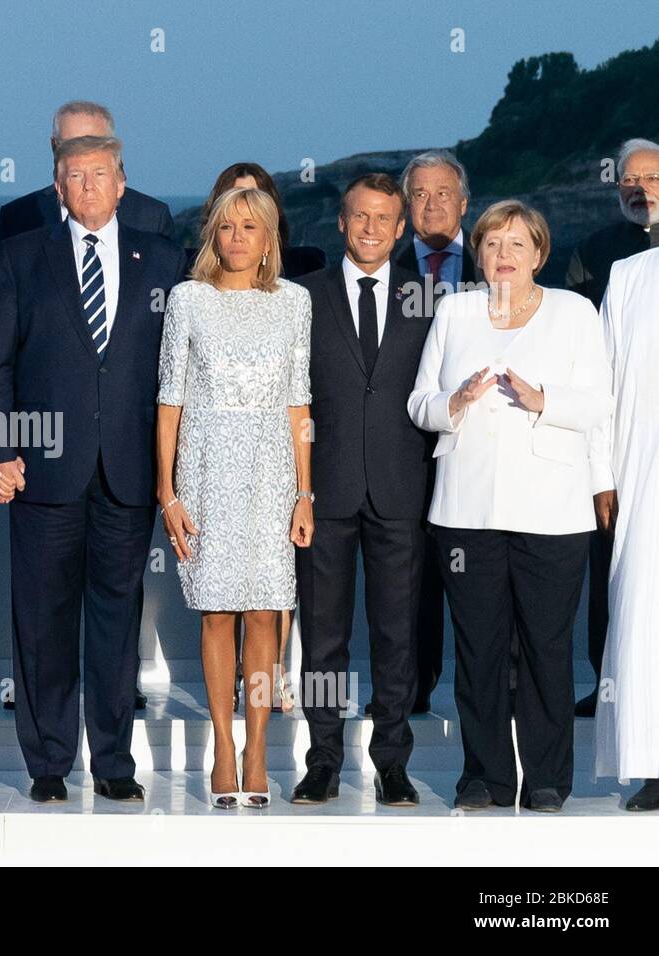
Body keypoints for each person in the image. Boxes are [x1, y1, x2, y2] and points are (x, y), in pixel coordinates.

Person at [0, 134, 183, 803]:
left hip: (127, 470)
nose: (87, 186)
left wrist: (174, 470)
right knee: (41, 620)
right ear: (56, 186)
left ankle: (115, 763)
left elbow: (180, 371)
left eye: (100, 175)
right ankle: (48, 762)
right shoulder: (21, 256)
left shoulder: (165, 261)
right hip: (42, 472)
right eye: (74, 176)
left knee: (117, 623)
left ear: (123, 183)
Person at [408, 200, 610, 812]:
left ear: (539, 255)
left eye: (517, 245)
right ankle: (485, 777)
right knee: (479, 647)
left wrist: (542, 398)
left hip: (552, 510)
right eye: (493, 243)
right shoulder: (455, 310)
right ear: (478, 252)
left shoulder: (574, 312)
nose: (503, 255)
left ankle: (547, 778)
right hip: (467, 512)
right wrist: (456, 401)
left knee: (548, 648)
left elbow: (599, 404)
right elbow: (420, 403)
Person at [158, 186, 313, 810]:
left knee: (265, 614)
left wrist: (305, 492)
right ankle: (223, 746)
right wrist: (165, 491)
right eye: (227, 227)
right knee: (217, 613)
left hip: (273, 472)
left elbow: (299, 401)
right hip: (203, 470)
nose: (238, 238)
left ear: (270, 236)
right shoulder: (187, 300)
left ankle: (257, 750)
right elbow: (170, 401)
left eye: (251, 227)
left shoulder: (294, 302)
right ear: (212, 235)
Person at [291, 174, 430, 807]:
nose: (372, 228)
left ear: (402, 229)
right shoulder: (303, 296)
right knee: (323, 635)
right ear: (341, 223)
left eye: (384, 219)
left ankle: (391, 762)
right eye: (360, 217)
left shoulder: (427, 298)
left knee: (397, 634)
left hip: (402, 492)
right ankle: (322, 758)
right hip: (323, 491)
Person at [563, 137, 659, 718]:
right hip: (620, 437)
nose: (640, 190)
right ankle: (610, 683)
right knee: (614, 569)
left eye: (652, 179)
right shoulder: (598, 253)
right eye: (630, 180)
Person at [395, 149, 474, 714]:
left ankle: (501, 693)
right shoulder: (385, 269)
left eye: (443, 193)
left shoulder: (502, 264)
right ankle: (413, 690)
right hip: (405, 449)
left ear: (464, 203)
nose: (432, 204)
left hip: (482, 450)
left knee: (486, 579)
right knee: (412, 579)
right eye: (419, 194)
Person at [591, 244, 659, 811]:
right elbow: (601, 384)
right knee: (643, 616)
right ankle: (653, 766)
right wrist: (600, 476)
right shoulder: (629, 273)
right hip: (643, 478)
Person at [0, 100, 175, 258]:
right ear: (54, 146)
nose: (83, 155)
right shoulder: (17, 218)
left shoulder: (151, 216)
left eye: (95, 144)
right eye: (71, 146)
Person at [191, 162, 327, 280]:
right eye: (235, 195)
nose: (244, 203)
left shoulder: (305, 265)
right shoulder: (187, 274)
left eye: (253, 196)